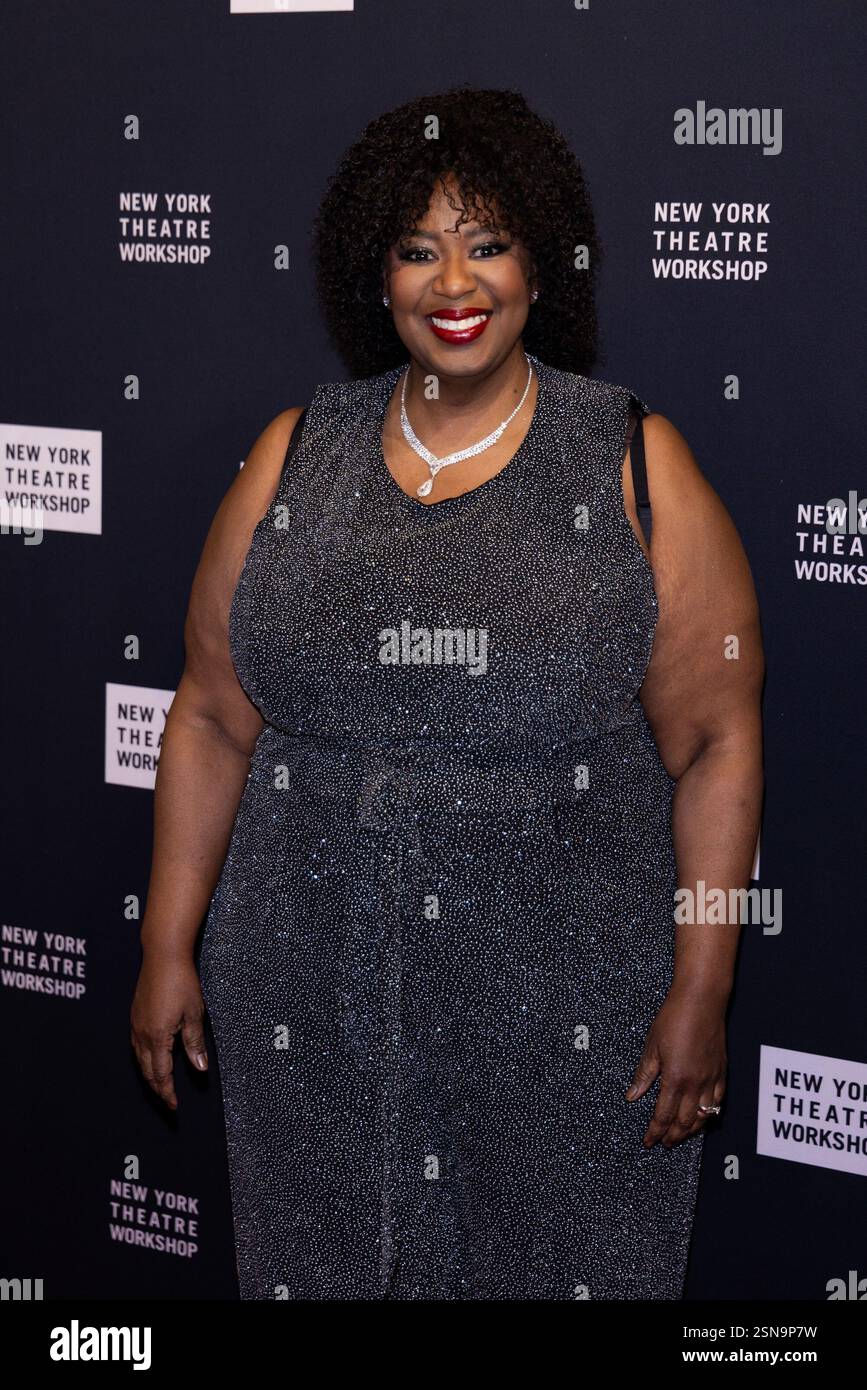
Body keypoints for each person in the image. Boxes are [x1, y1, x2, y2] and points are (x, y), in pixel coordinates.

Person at [131, 86, 764, 1300]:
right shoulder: (294, 451)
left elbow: (717, 747)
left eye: (487, 242)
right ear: (377, 275)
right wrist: (167, 942)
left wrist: (705, 983)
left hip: (564, 1016)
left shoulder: (631, 461)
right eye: (418, 248)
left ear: (540, 264)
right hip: (309, 996)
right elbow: (212, 714)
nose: (453, 282)